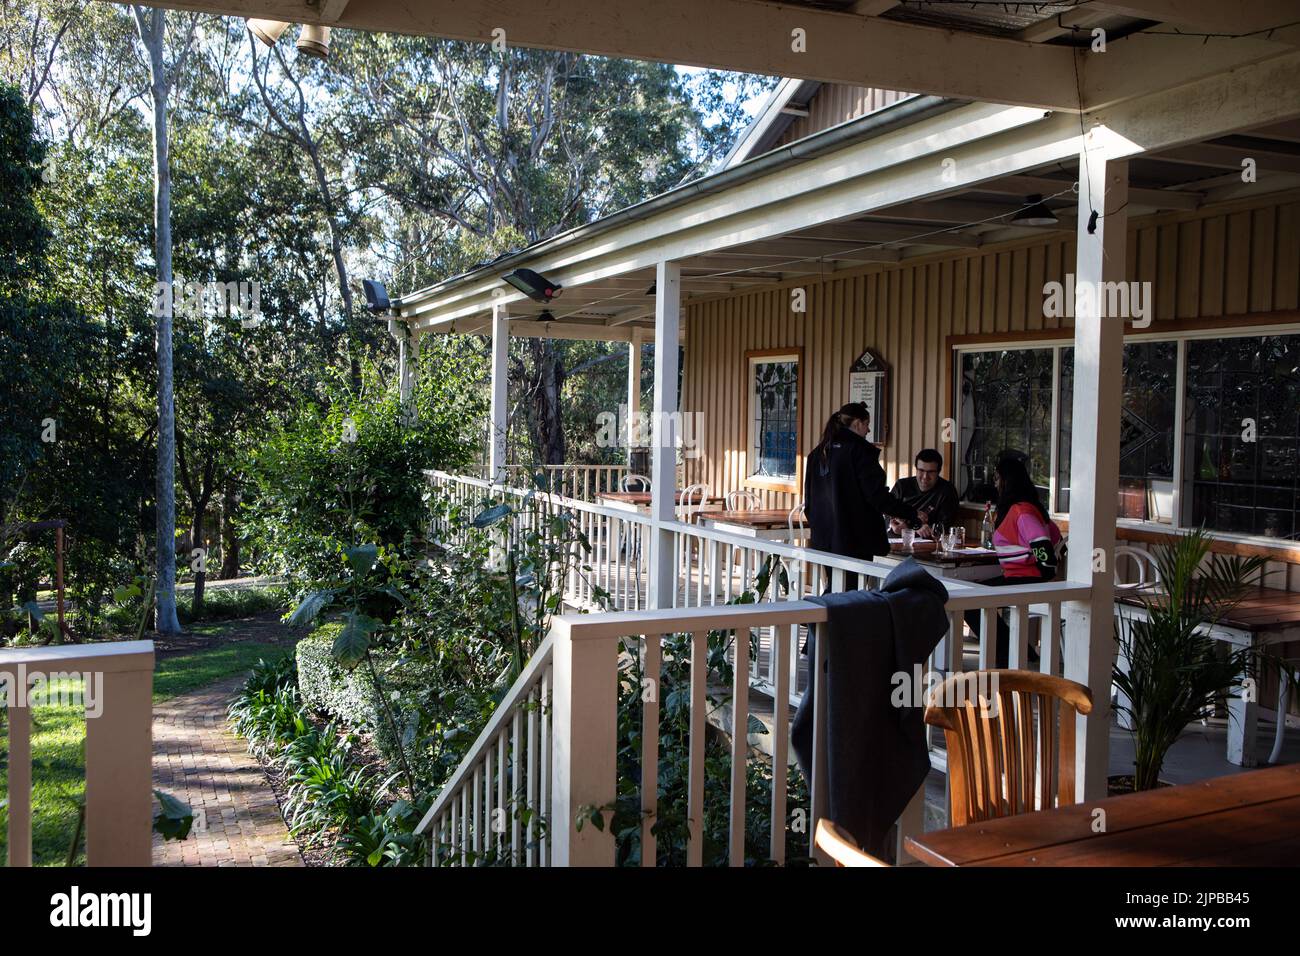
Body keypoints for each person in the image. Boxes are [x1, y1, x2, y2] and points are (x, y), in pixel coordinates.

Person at [804, 402, 919, 590]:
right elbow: (877, 497)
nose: (868, 430)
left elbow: (808, 501)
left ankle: (819, 610)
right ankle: (817, 612)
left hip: (824, 537)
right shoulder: (860, 452)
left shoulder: (818, 453)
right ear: (857, 424)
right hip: (855, 539)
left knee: (837, 588)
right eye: (867, 424)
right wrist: (911, 513)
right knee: (851, 593)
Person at [963, 455, 1062, 667]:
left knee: (971, 603)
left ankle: (1007, 655)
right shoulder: (1031, 507)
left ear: (1007, 481)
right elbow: (1056, 537)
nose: (995, 484)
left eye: (997, 479)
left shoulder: (1021, 511)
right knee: (973, 595)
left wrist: (1045, 572)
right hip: (1021, 575)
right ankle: (1021, 652)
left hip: (1027, 577)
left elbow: (1043, 544)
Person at [889, 448, 959, 537]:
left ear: (938, 472)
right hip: (892, 539)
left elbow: (943, 528)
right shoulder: (902, 485)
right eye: (921, 470)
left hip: (926, 542)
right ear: (916, 469)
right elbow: (887, 513)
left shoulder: (947, 491)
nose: (925, 476)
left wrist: (911, 529)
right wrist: (893, 524)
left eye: (931, 472)